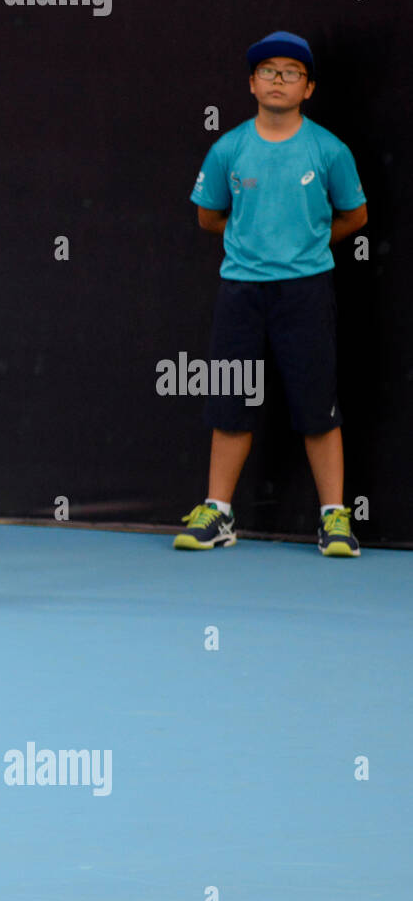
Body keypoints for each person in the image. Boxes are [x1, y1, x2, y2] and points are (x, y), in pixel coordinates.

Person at [179, 31, 368, 555]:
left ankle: (335, 519)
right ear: (251, 83)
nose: (278, 80)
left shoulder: (330, 150)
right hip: (241, 292)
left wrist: (303, 246)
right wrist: (254, 244)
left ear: (308, 88)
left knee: (317, 406)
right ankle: (217, 514)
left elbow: (355, 214)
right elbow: (208, 215)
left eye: (291, 72)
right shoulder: (229, 148)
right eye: (268, 71)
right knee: (229, 400)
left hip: (306, 292)